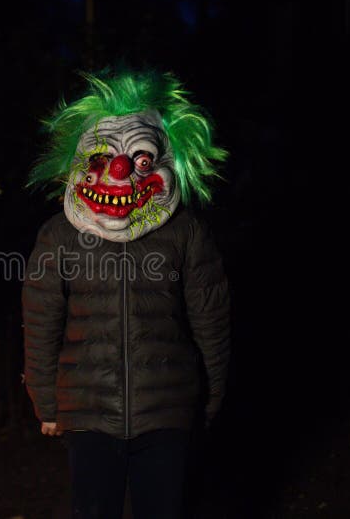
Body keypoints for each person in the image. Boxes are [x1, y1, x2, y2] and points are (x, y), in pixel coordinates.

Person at [21, 70, 231, 518]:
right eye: (101, 157)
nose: (118, 171)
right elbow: (41, 320)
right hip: (88, 412)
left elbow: (210, 320)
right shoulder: (58, 236)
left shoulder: (187, 233)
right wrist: (46, 402)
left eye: (141, 159)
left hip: (166, 410)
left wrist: (208, 398)